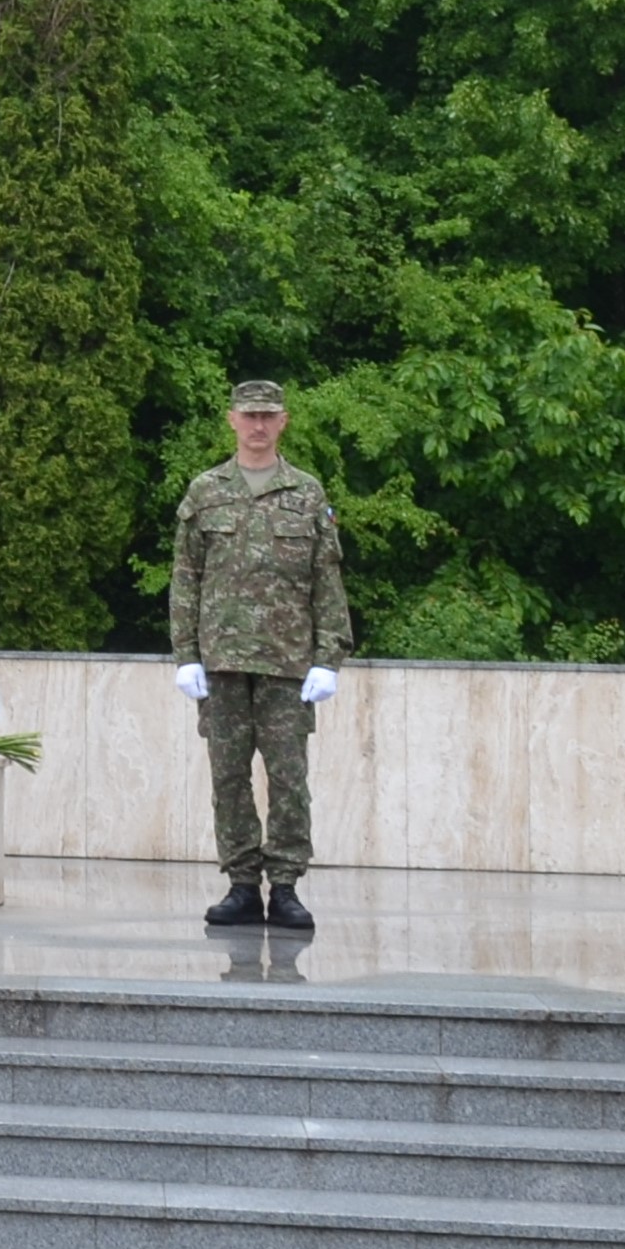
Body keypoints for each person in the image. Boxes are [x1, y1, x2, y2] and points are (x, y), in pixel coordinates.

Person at [168, 377, 351, 933]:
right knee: (228, 777)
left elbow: (326, 581)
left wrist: (329, 657)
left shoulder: (306, 493)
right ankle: (242, 884)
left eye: (268, 416)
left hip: (287, 663)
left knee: (289, 777)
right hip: (221, 661)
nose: (258, 425)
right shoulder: (206, 492)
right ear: (232, 420)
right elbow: (185, 580)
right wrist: (185, 655)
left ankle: (288, 886)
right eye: (249, 415)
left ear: (283, 422)